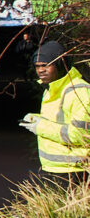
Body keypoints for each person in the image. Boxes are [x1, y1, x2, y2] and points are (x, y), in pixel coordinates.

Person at [20, 40, 90, 184]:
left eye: (45, 65)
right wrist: (37, 119)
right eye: (37, 66)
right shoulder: (51, 89)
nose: (40, 70)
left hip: (74, 171)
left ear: (59, 64)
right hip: (54, 169)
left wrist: (40, 127)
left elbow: (81, 135)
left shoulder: (79, 91)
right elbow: (59, 121)